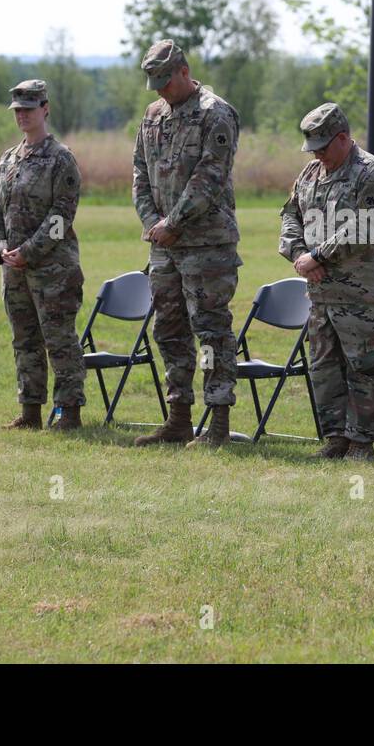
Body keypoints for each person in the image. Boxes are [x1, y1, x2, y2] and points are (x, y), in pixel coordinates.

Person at [130, 40, 242, 449]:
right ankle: (178, 418)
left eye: (165, 81)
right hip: (164, 246)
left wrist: (173, 223)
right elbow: (140, 172)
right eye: (153, 83)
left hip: (206, 245)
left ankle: (217, 424)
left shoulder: (216, 114)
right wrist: (152, 223)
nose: (160, 90)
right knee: (169, 330)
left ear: (183, 71)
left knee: (211, 331)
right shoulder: (153, 115)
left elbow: (209, 178)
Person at [279, 103, 374, 461]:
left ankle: (362, 443)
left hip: (363, 294)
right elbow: (290, 216)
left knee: (364, 368)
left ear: (344, 139)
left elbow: (365, 225)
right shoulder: (309, 175)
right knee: (324, 368)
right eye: (312, 148)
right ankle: (335, 438)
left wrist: (318, 256)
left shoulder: (371, 174)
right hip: (322, 293)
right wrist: (300, 255)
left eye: (322, 146)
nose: (317, 154)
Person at [0, 78, 86, 431]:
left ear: (45, 109)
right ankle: (30, 411)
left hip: (53, 271)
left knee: (59, 341)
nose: (22, 116)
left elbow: (61, 218)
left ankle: (67, 413)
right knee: (24, 340)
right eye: (18, 110)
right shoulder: (9, 160)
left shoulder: (61, 159)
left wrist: (29, 251)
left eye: (29, 109)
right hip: (13, 270)